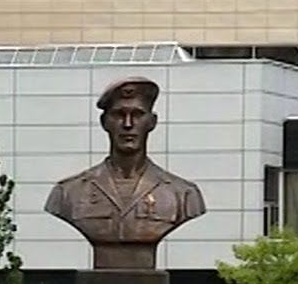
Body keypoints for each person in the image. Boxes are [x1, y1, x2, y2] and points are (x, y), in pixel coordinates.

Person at [45, 76, 205, 269]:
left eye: (137, 114)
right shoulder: (68, 192)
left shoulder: (183, 195)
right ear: (104, 122)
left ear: (152, 122)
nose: (128, 124)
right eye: (119, 114)